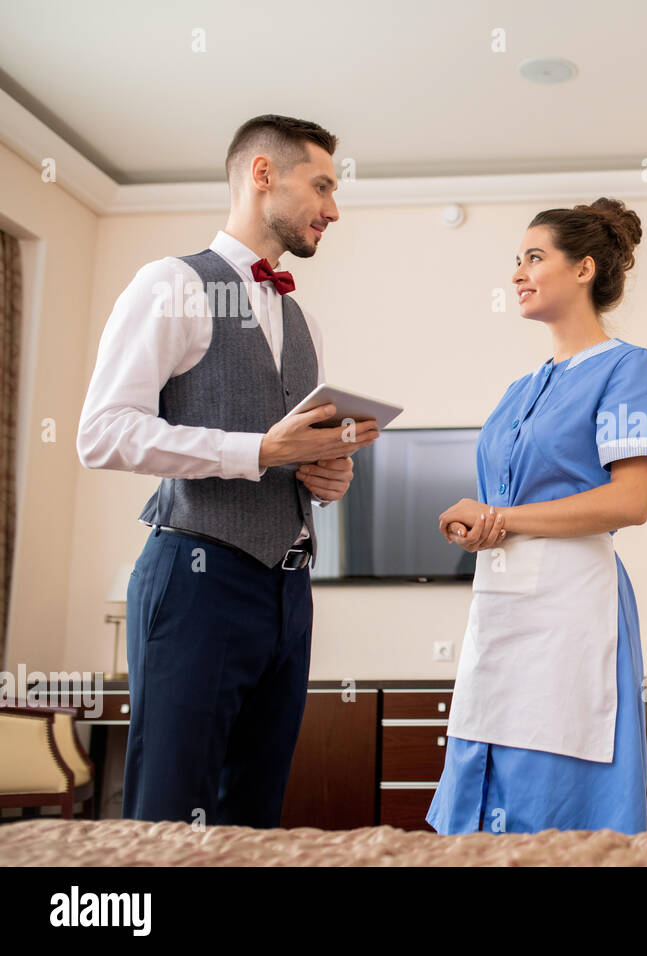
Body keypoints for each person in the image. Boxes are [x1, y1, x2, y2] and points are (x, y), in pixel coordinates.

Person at [76, 114, 379, 827]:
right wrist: (260, 452)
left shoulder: (303, 320)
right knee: (170, 810)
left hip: (288, 594)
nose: (334, 209)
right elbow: (101, 433)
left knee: (253, 814)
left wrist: (325, 476)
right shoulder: (170, 284)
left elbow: (290, 448)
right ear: (263, 175)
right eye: (323, 186)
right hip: (196, 579)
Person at [426, 197, 647, 835]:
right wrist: (475, 522)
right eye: (517, 260)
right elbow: (506, 501)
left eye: (535, 257)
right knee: (488, 772)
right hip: (503, 596)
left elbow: (631, 501)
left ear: (585, 268)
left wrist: (502, 516)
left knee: (557, 784)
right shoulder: (519, 390)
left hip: (573, 603)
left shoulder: (631, 369)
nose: (518, 273)